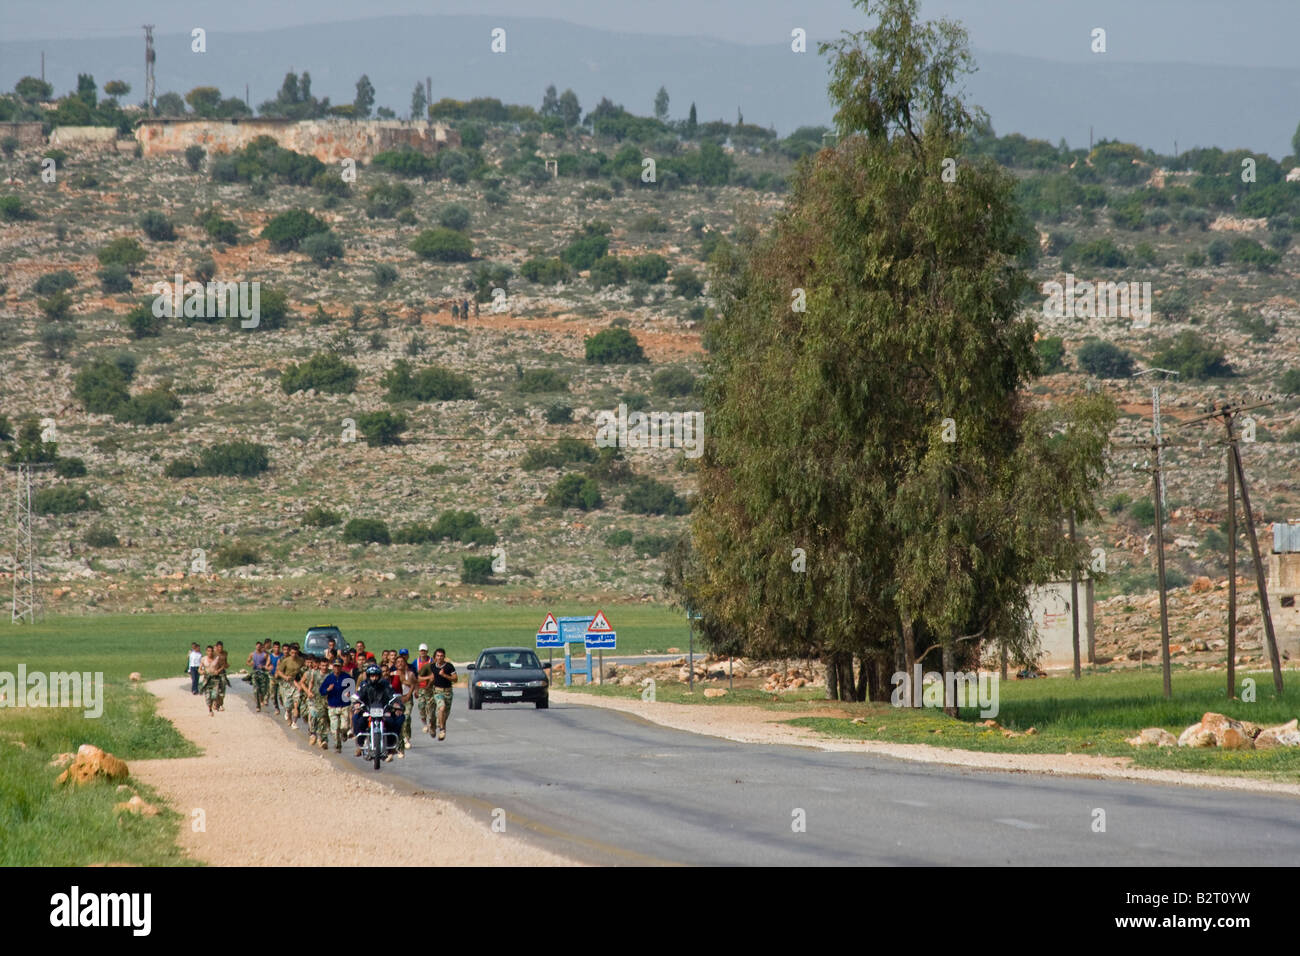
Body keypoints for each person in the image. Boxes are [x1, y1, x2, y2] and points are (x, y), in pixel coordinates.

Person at [351, 664, 404, 760]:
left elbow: (391, 695)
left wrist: (396, 704)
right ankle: (360, 742)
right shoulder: (364, 684)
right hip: (367, 710)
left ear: (379, 676)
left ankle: (392, 745)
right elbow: (359, 695)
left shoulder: (385, 684)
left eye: (376, 675)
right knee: (357, 720)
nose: (374, 678)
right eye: (372, 676)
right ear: (368, 676)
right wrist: (357, 704)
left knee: (395, 721)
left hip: (383, 710)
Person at [319, 659, 352, 753]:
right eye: (335, 666)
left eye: (339, 666)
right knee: (334, 729)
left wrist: (350, 693)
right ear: (333, 667)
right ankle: (338, 746)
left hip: (344, 706)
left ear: (341, 667)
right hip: (332, 706)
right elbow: (321, 691)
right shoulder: (329, 678)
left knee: (344, 727)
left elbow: (353, 688)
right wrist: (328, 690)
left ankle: (344, 733)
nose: (337, 668)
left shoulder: (346, 677)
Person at [429, 647, 457, 741]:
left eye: (441, 656)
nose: (439, 657)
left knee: (445, 714)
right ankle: (442, 730)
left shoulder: (449, 666)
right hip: (437, 691)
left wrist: (444, 675)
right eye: (438, 656)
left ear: (444, 657)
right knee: (442, 707)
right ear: (435, 657)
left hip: (448, 692)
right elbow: (431, 677)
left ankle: (438, 725)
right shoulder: (432, 666)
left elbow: (455, 679)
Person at [299, 657, 327, 748]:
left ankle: (320, 738)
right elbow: (303, 682)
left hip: (323, 699)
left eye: (314, 663)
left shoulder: (325, 673)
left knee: (322, 718)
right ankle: (312, 734)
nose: (312, 665)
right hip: (312, 698)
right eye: (311, 663)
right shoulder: (309, 673)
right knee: (312, 715)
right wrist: (308, 691)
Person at [277, 645, 305, 728]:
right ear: (290, 653)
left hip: (296, 683)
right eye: (292, 653)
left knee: (296, 702)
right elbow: (279, 671)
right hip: (287, 684)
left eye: (295, 653)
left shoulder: (300, 660)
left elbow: (303, 670)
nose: (293, 654)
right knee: (288, 705)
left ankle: (294, 722)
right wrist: (285, 677)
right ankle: (289, 716)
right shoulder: (286, 661)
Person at [414, 644, 435, 733]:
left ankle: (431, 723)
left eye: (424, 651)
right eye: (421, 651)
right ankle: (425, 724)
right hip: (421, 688)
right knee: (421, 707)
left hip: (431, 689)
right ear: (419, 652)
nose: (423, 652)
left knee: (430, 707)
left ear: (427, 651)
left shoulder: (432, 661)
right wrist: (416, 689)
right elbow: (415, 677)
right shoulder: (416, 662)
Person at [396, 657, 415, 749]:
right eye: (398, 662)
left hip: (407, 699)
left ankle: (406, 738)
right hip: (396, 700)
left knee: (406, 717)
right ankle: (399, 737)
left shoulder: (410, 674)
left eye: (402, 662)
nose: (400, 663)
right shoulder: (392, 674)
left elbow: (413, 684)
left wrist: (408, 695)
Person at [247, 641, 270, 711]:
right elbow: (247, 662)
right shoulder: (252, 654)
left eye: (260, 646)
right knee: (256, 689)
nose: (258, 647)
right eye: (257, 646)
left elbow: (268, 664)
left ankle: (262, 699)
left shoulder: (265, 655)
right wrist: (250, 663)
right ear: (255, 646)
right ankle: (258, 705)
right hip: (255, 673)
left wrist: (263, 666)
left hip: (263, 674)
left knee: (263, 690)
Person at [199, 645, 220, 716]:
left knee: (215, 694)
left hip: (215, 679)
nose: (210, 652)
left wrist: (218, 671)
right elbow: (200, 669)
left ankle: (215, 702)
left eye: (211, 651)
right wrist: (201, 672)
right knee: (208, 697)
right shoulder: (203, 659)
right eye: (208, 651)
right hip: (207, 679)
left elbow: (222, 667)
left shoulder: (217, 659)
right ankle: (210, 710)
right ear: (206, 652)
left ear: (213, 651)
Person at [267, 641, 283, 714]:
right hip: (272, 677)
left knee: (280, 694)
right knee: (273, 694)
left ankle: (284, 705)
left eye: (278, 647)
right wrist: (268, 667)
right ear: (273, 648)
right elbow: (266, 665)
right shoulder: (271, 656)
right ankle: (276, 708)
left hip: (280, 677)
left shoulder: (282, 656)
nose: (277, 649)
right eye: (275, 647)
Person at [213, 641, 229, 711]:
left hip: (222, 673)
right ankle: (215, 703)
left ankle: (220, 704)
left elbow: (225, 663)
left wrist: (226, 665)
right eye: (219, 647)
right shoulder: (213, 654)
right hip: (214, 673)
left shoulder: (225, 653)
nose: (220, 648)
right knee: (215, 690)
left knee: (222, 690)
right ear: (216, 647)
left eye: (221, 647)